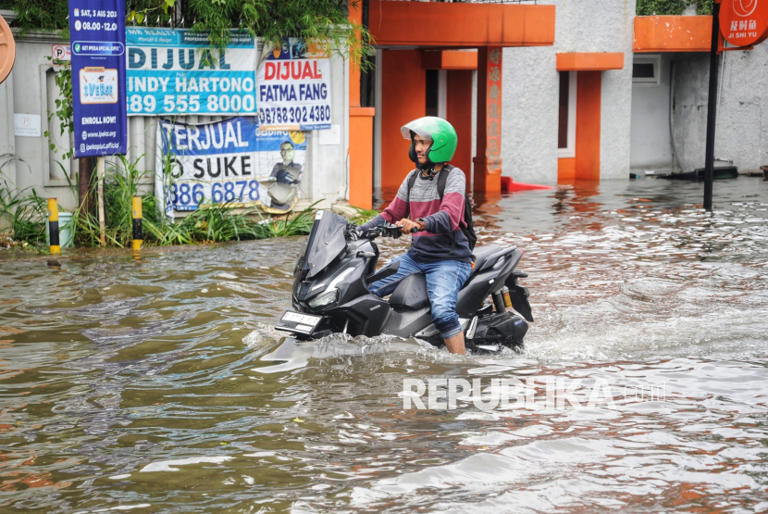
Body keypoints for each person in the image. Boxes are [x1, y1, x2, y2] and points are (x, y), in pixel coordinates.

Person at [360, 116, 472, 354]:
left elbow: (450, 216)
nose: (418, 148)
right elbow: (391, 214)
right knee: (366, 292)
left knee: (442, 312)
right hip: (416, 257)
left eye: (424, 142)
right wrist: (359, 231)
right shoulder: (412, 179)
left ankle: (461, 365)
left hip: (449, 260)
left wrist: (418, 224)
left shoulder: (454, 176)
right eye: (416, 142)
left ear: (440, 145)